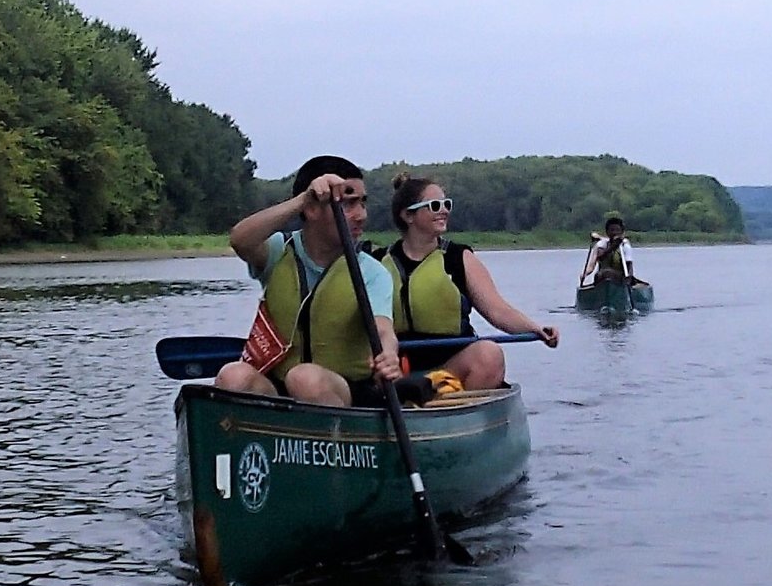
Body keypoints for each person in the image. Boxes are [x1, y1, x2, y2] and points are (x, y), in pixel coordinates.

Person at [215, 156, 404, 406]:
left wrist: (389, 354)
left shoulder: (372, 272)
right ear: (312, 210)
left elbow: (383, 330)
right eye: (348, 205)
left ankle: (335, 439)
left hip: (345, 391)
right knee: (233, 375)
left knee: (304, 378)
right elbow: (240, 239)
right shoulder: (278, 252)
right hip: (280, 388)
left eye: (362, 203)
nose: (361, 216)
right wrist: (303, 200)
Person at [378, 175, 558, 393]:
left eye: (447, 204)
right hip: (397, 367)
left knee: (489, 354)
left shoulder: (458, 257)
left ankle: (453, 407)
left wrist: (536, 329)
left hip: (452, 366)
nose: (444, 210)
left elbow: (497, 310)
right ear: (408, 215)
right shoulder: (377, 263)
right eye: (435, 206)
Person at [580, 214, 639, 290]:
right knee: (604, 273)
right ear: (607, 232)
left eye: (617, 230)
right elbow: (593, 265)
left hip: (620, 277)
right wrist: (585, 274)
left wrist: (629, 278)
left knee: (608, 273)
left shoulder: (625, 245)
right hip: (602, 277)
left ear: (621, 232)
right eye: (612, 230)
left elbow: (629, 266)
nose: (614, 233)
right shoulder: (601, 245)